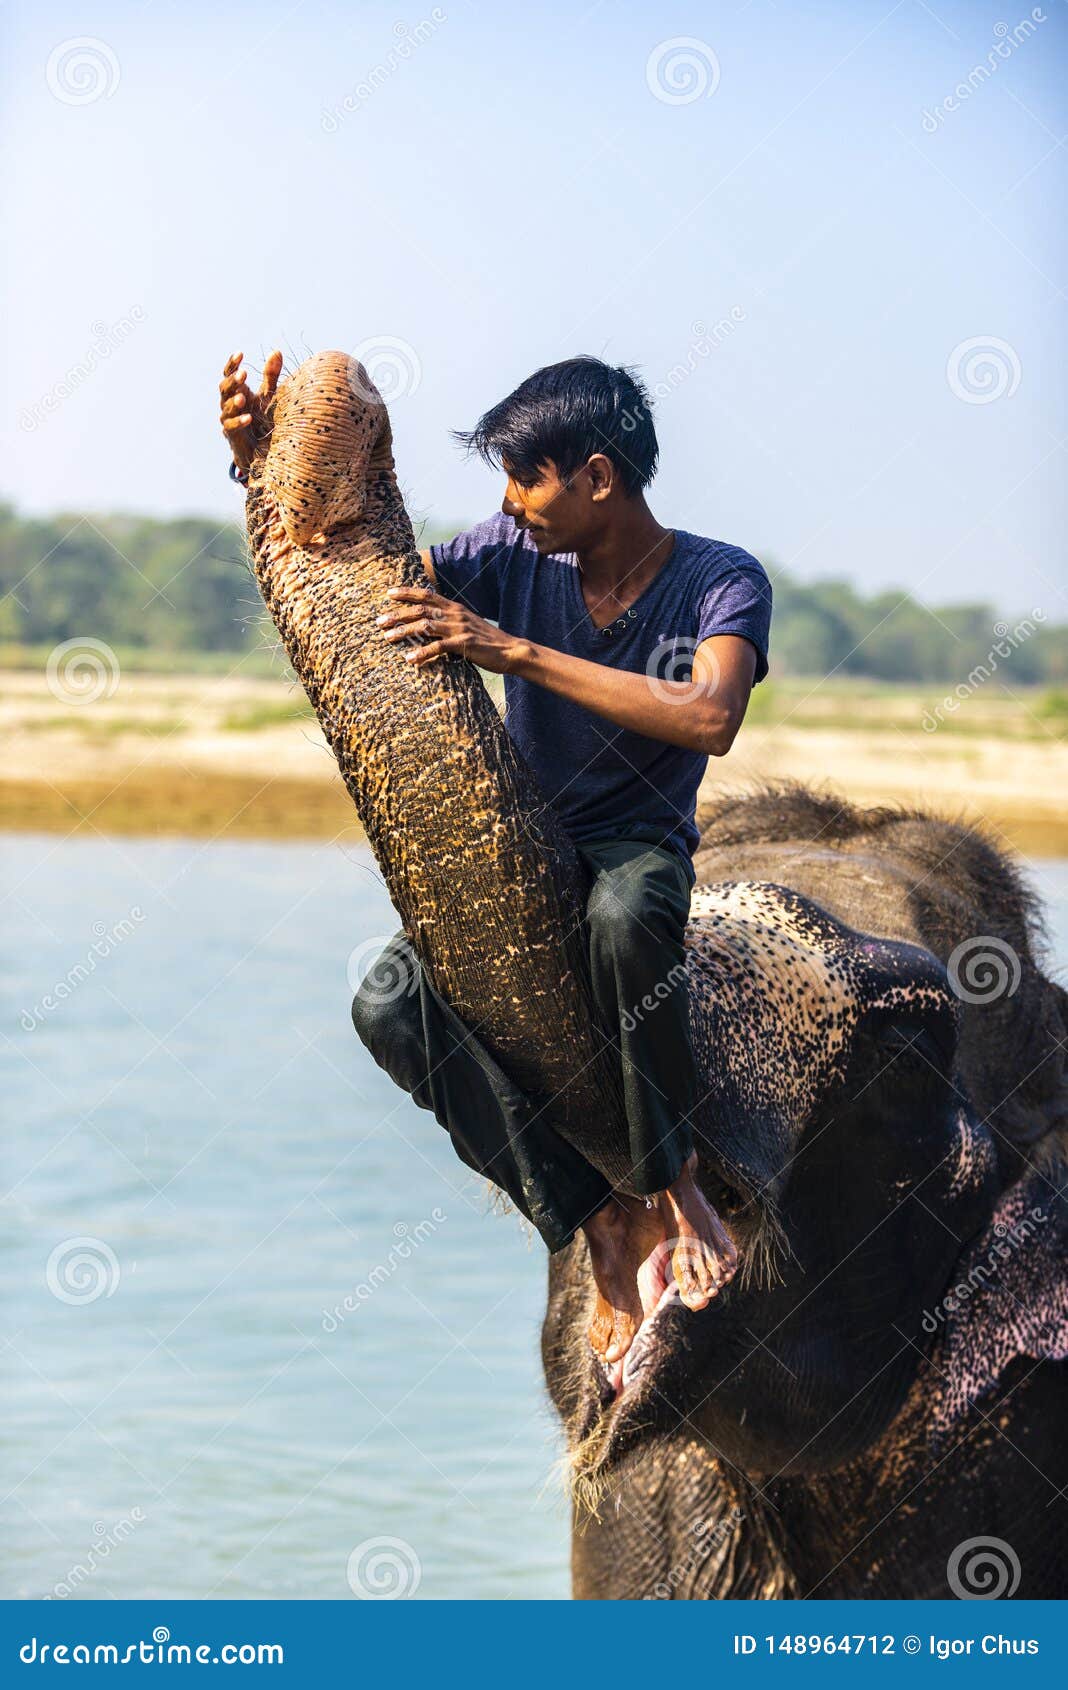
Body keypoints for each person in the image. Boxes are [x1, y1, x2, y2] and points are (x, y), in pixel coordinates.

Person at [219, 353, 772, 1370]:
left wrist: (510, 651)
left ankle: (677, 1179)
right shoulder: (508, 548)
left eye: (528, 477)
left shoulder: (719, 578)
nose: (509, 503)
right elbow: (359, 578)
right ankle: (588, 1216)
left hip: (629, 847)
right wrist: (266, 472)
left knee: (624, 919)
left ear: (597, 479)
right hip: (513, 838)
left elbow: (710, 715)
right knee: (386, 1003)